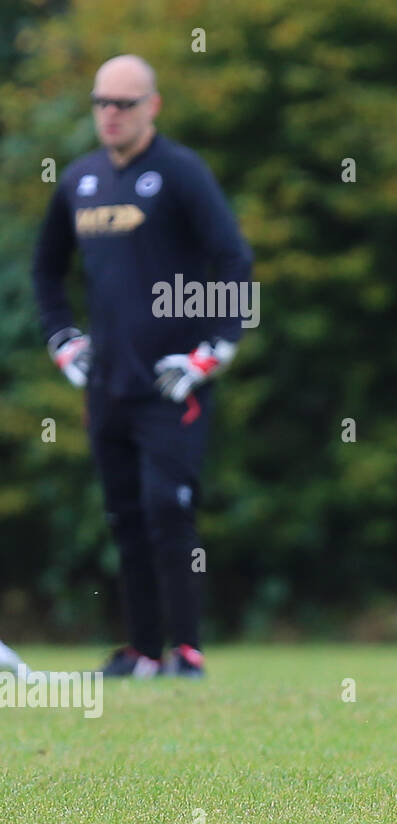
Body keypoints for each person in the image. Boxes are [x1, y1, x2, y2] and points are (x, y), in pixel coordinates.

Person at [32, 55, 253, 678]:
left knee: (166, 507)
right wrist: (62, 339)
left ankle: (186, 649)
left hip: (170, 383)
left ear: (151, 106)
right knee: (123, 513)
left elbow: (233, 258)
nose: (110, 114)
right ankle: (143, 651)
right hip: (107, 385)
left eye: (124, 103)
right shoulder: (79, 180)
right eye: (102, 102)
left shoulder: (181, 173)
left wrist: (216, 349)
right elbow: (46, 270)